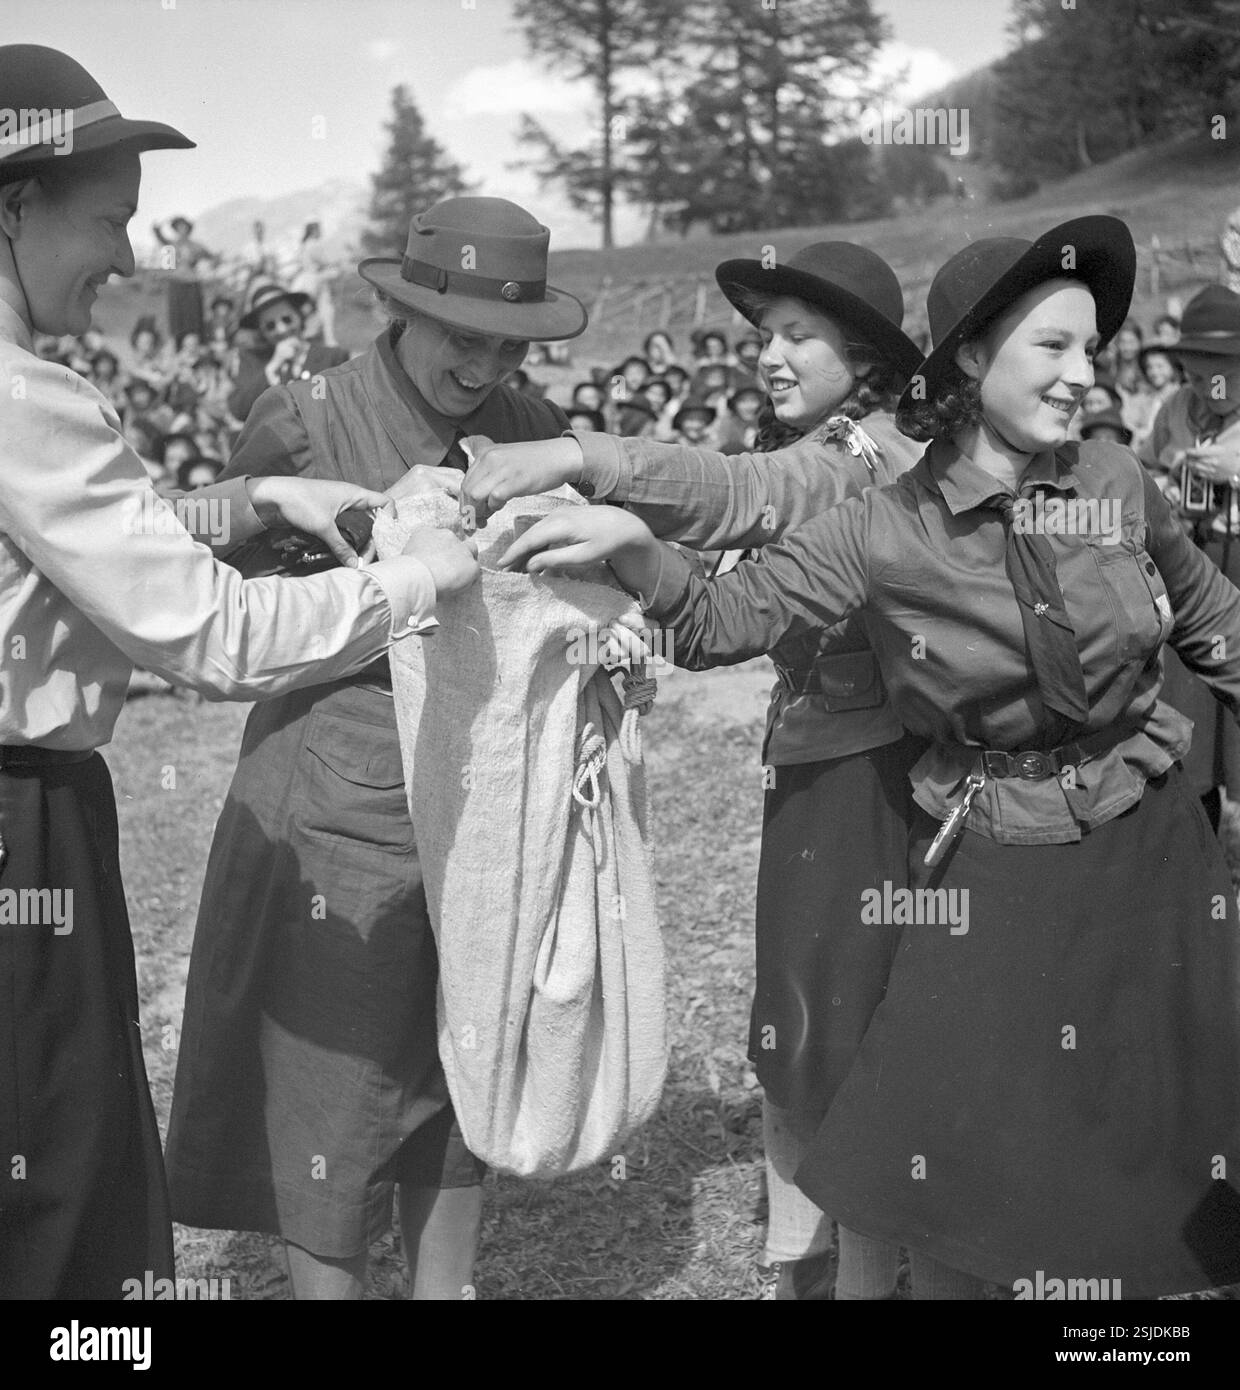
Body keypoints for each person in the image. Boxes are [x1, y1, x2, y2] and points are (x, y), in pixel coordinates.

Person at [490, 216, 1240, 1299]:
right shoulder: (882, 525)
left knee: (1155, 1161)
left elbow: (1216, 625)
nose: (1085, 377)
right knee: (966, 1181)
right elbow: (722, 617)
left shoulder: (1117, 479)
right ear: (972, 356)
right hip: (1007, 866)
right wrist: (635, 549)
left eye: (1093, 352)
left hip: (1157, 857)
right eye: (1054, 348)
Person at [0, 43, 479, 1302]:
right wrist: (419, 577)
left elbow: (62, 551)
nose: (126, 259)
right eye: (105, 221)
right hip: (18, 824)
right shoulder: (22, 397)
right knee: (56, 1167)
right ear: (12, 204)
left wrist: (257, 495)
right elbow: (213, 634)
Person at [459, 240, 926, 1301]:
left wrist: (581, 456)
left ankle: (846, 1268)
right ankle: (817, 1257)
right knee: (811, 1021)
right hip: (824, 760)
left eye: (798, 334)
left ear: (867, 356)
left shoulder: (865, 451)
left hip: (864, 776)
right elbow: (723, 600)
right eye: (765, 332)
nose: (770, 353)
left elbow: (744, 492)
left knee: (829, 1030)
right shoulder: (849, 442)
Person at [165, 195, 587, 1301]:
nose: (485, 364)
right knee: (332, 1083)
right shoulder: (307, 415)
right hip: (336, 792)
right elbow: (193, 547)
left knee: (461, 1059)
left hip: (480, 789)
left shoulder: (529, 419)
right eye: (464, 336)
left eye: (508, 344)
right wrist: (324, 530)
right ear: (398, 308)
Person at [1140, 282, 1240, 831]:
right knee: (1193, 704)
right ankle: (1200, 835)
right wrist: (1166, 487)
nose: (1207, 389)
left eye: (1219, 376)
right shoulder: (1174, 407)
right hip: (1192, 563)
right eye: (1196, 376)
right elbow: (1147, 469)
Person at [226, 279, 349, 422]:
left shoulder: (332, 356)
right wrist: (273, 365)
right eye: (270, 325)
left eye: (287, 319)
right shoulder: (257, 364)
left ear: (299, 317)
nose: (281, 329)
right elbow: (239, 410)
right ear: (262, 332)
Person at [152, 213, 214, 343]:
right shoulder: (171, 247)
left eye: (184, 227)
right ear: (176, 230)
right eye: (179, 227)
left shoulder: (196, 246)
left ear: (188, 229)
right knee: (177, 317)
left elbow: (210, 256)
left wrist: (203, 266)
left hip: (192, 284)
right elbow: (167, 266)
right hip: (176, 285)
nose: (182, 230)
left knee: (194, 317)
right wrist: (157, 231)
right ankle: (178, 344)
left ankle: (195, 343)